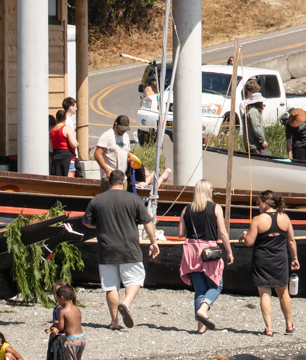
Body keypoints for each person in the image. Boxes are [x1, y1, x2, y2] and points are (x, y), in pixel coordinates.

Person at [77, 170, 162, 328]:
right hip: (129, 248)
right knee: (136, 279)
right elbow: (147, 222)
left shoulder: (97, 200)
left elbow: (86, 223)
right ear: (124, 182)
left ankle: (114, 321)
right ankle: (126, 303)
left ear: (108, 182)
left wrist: (101, 225)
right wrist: (153, 242)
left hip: (106, 249)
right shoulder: (133, 199)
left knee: (110, 286)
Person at [178, 180, 233, 331]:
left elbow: (180, 233)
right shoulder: (215, 208)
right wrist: (229, 251)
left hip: (191, 250)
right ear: (208, 191)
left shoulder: (186, 209)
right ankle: (204, 309)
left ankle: (200, 327)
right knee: (217, 285)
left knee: (200, 288)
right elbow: (222, 232)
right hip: (209, 250)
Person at [245, 190, 299, 334]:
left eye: (258, 202)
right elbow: (291, 241)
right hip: (280, 259)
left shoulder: (258, 219)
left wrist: (244, 235)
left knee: (265, 294)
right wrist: (294, 258)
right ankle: (288, 324)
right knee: (283, 292)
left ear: (266, 202)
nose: (257, 205)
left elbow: (249, 242)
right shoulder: (285, 218)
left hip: (262, 260)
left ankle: (268, 328)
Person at [45, 283, 85, 360]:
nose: (57, 301)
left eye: (58, 299)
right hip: (82, 338)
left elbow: (61, 326)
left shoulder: (63, 311)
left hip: (72, 340)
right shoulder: (76, 309)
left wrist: (55, 329)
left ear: (62, 297)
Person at [92, 114, 134, 182]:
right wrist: (107, 170)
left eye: (125, 129)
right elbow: (97, 154)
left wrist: (129, 157)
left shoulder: (126, 136)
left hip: (122, 177)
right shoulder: (107, 136)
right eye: (121, 128)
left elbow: (125, 152)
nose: (123, 131)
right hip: (110, 177)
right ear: (115, 124)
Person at [241, 84, 269, 156]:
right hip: (254, 145)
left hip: (252, 145)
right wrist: (262, 140)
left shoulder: (251, 111)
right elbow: (256, 128)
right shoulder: (253, 112)